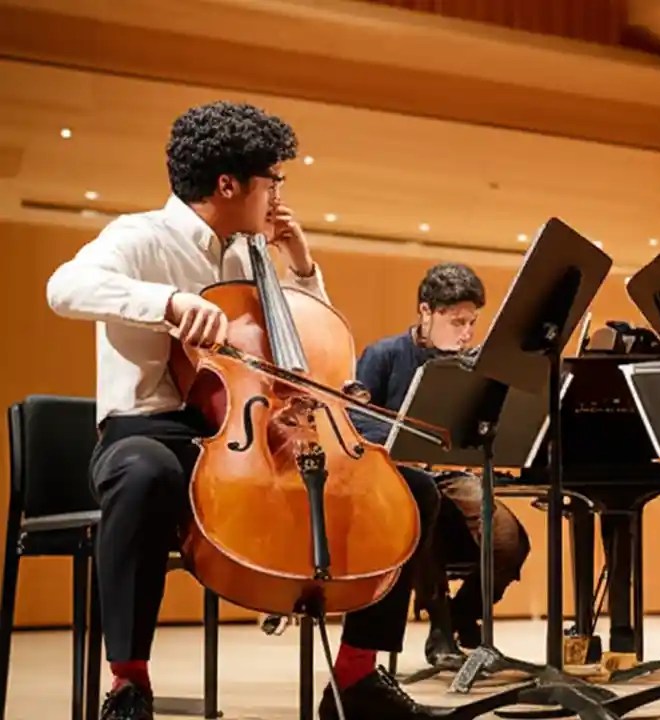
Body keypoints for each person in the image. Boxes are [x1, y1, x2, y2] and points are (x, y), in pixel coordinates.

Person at [46, 101, 447, 720]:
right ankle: (129, 683)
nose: (279, 194)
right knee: (143, 473)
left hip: (247, 432)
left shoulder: (246, 253)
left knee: (407, 489)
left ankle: (355, 680)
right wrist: (169, 302)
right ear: (228, 184)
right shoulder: (138, 236)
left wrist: (302, 263)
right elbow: (64, 288)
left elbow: (310, 346)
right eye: (272, 180)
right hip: (149, 429)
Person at [349, 262, 532, 665]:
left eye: (472, 322)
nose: (466, 333)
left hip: (452, 473)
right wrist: (401, 443)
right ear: (426, 312)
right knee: (419, 515)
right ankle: (441, 629)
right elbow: (355, 420)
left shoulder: (471, 362)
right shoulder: (383, 355)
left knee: (509, 541)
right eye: (456, 322)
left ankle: (465, 616)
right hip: (400, 478)